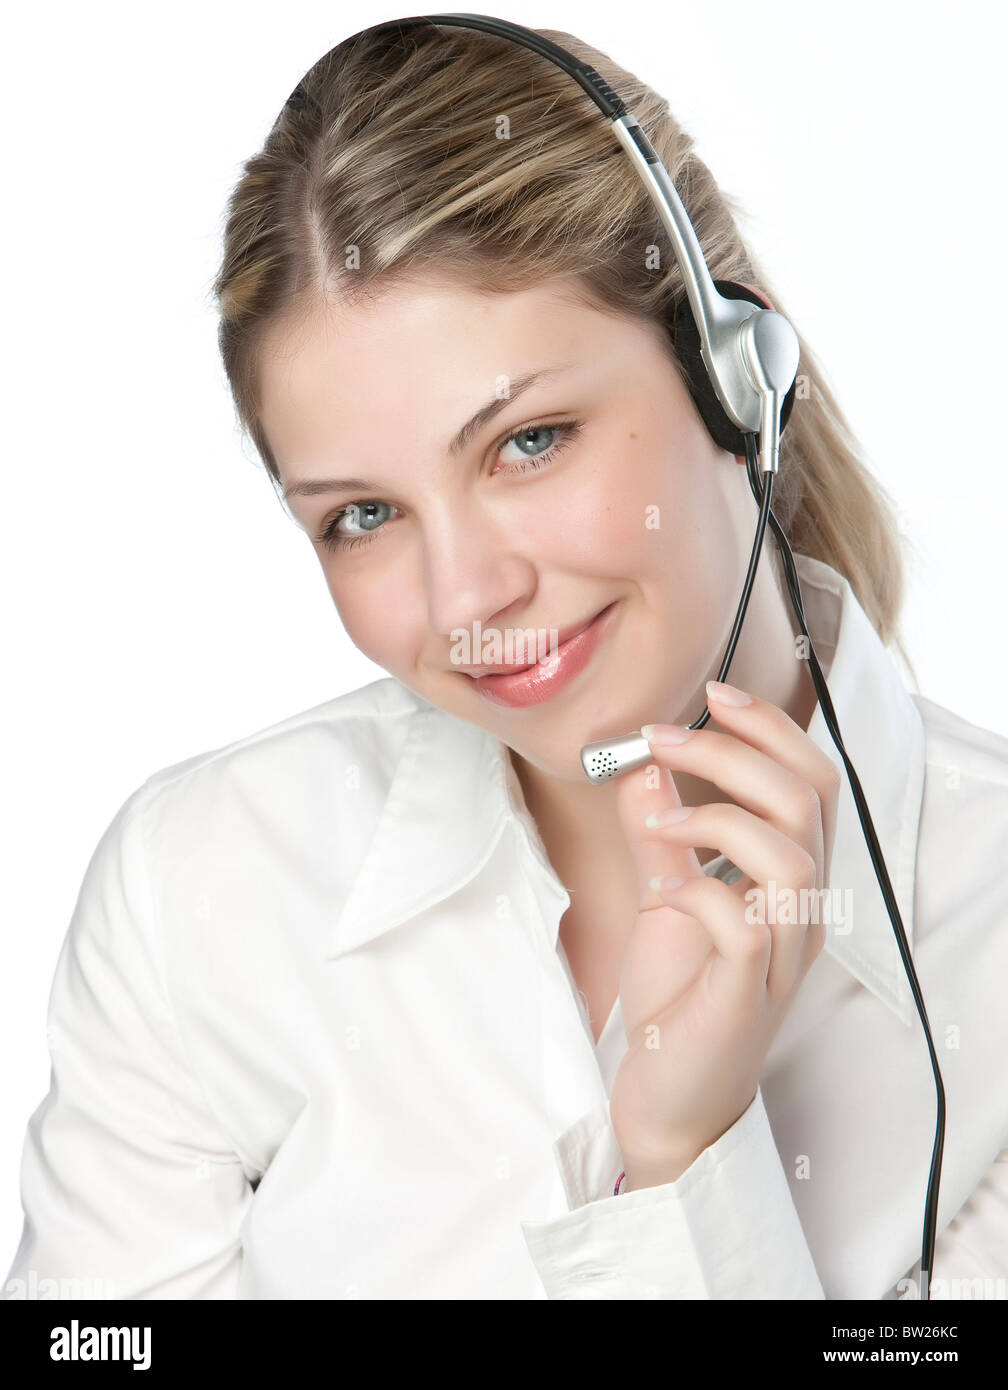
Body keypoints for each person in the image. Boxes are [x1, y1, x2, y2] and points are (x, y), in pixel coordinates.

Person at [5, 20, 1008, 1302]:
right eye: (362, 516)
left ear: (736, 381)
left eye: (528, 442)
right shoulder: (199, 893)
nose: (468, 594)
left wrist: (686, 1159)